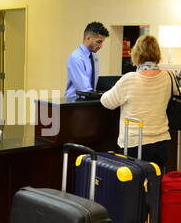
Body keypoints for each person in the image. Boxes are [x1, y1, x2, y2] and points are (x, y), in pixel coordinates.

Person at [100, 33, 172, 169]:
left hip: (135, 143)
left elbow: (107, 102)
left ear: (136, 54)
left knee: (132, 187)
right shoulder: (167, 77)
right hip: (161, 141)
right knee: (154, 185)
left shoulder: (130, 79)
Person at [64, 21, 109, 101]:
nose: (101, 46)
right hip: (74, 103)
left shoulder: (94, 56)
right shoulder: (76, 57)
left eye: (102, 42)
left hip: (88, 101)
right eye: (98, 42)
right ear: (88, 38)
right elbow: (84, 89)